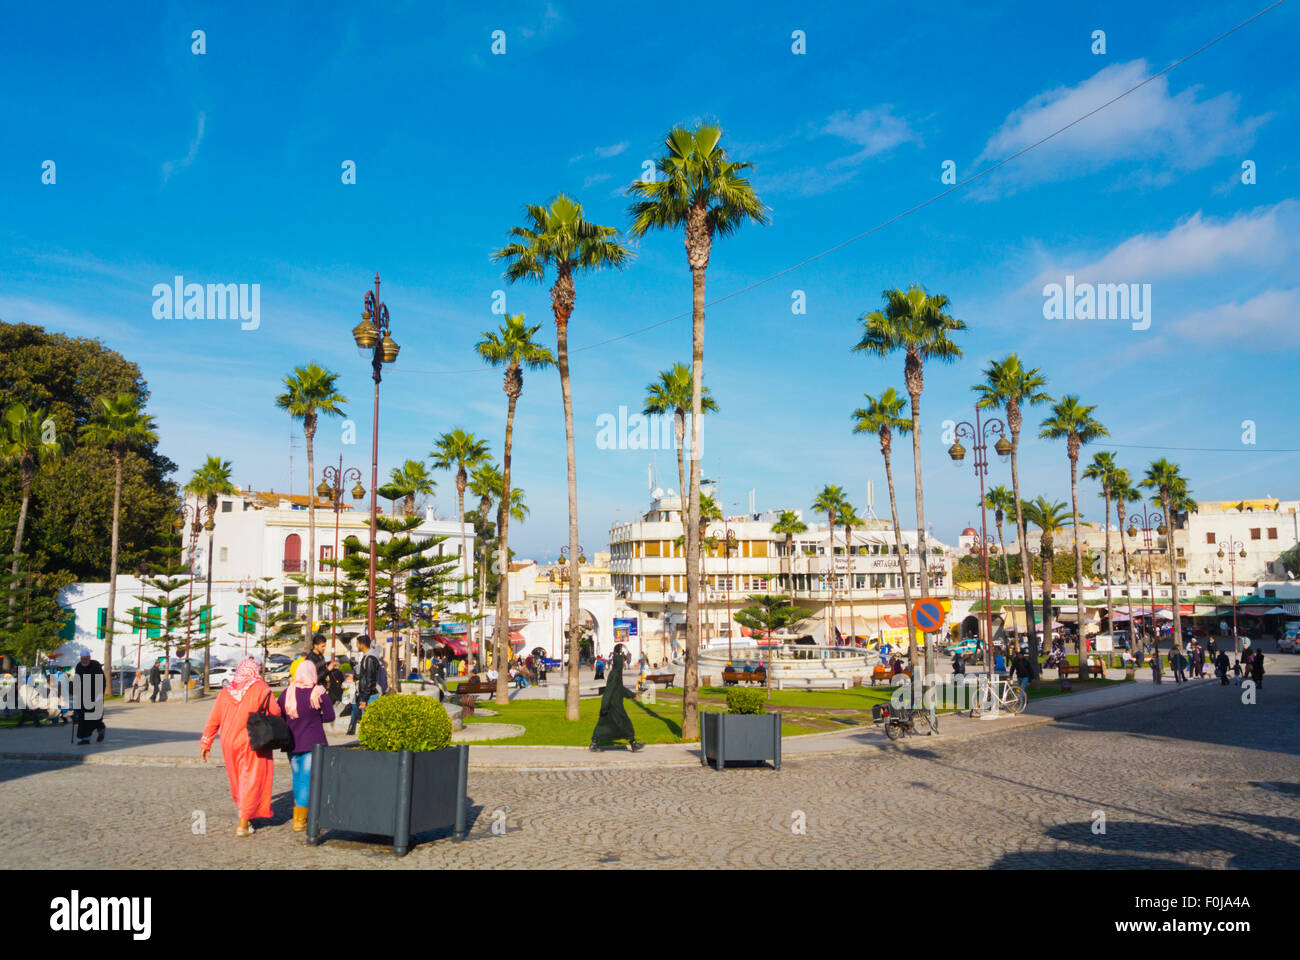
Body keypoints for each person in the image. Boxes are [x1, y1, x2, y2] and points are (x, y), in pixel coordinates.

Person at [199, 659, 282, 837]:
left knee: (236, 779)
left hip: (228, 742)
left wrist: (206, 742)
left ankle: (246, 813)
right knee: (250, 780)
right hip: (253, 741)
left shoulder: (226, 691)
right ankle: (243, 823)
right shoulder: (261, 688)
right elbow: (275, 712)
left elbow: (214, 719)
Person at [277, 660, 334, 832]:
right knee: (307, 780)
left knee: (297, 779)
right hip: (313, 743)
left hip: (292, 744)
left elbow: (279, 714)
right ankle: (300, 820)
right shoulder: (318, 692)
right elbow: (330, 715)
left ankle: (299, 814)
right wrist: (316, 720)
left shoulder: (287, 693)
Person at [589, 643, 643, 752]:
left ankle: (633, 743)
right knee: (614, 724)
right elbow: (609, 690)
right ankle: (633, 743)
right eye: (623, 661)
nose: (624, 663)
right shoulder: (615, 674)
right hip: (613, 705)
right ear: (619, 663)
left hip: (616, 704)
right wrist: (605, 706)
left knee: (609, 724)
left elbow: (620, 688)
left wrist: (632, 695)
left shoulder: (616, 673)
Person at [347, 635, 382, 736]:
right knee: (367, 725)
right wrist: (355, 677)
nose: (356, 645)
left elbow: (370, 681)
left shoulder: (370, 658)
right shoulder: (368, 657)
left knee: (369, 726)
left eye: (357, 643)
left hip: (370, 696)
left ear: (361, 645)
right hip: (368, 695)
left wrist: (364, 699)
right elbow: (365, 676)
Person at [73, 652, 107, 745]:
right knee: (83, 718)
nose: (84, 660)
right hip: (83, 696)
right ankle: (86, 738)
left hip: (95, 695)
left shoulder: (95, 665)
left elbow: (102, 680)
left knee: (94, 716)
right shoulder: (79, 666)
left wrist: (100, 694)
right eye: (82, 659)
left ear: (89, 657)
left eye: (85, 658)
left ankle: (100, 728)